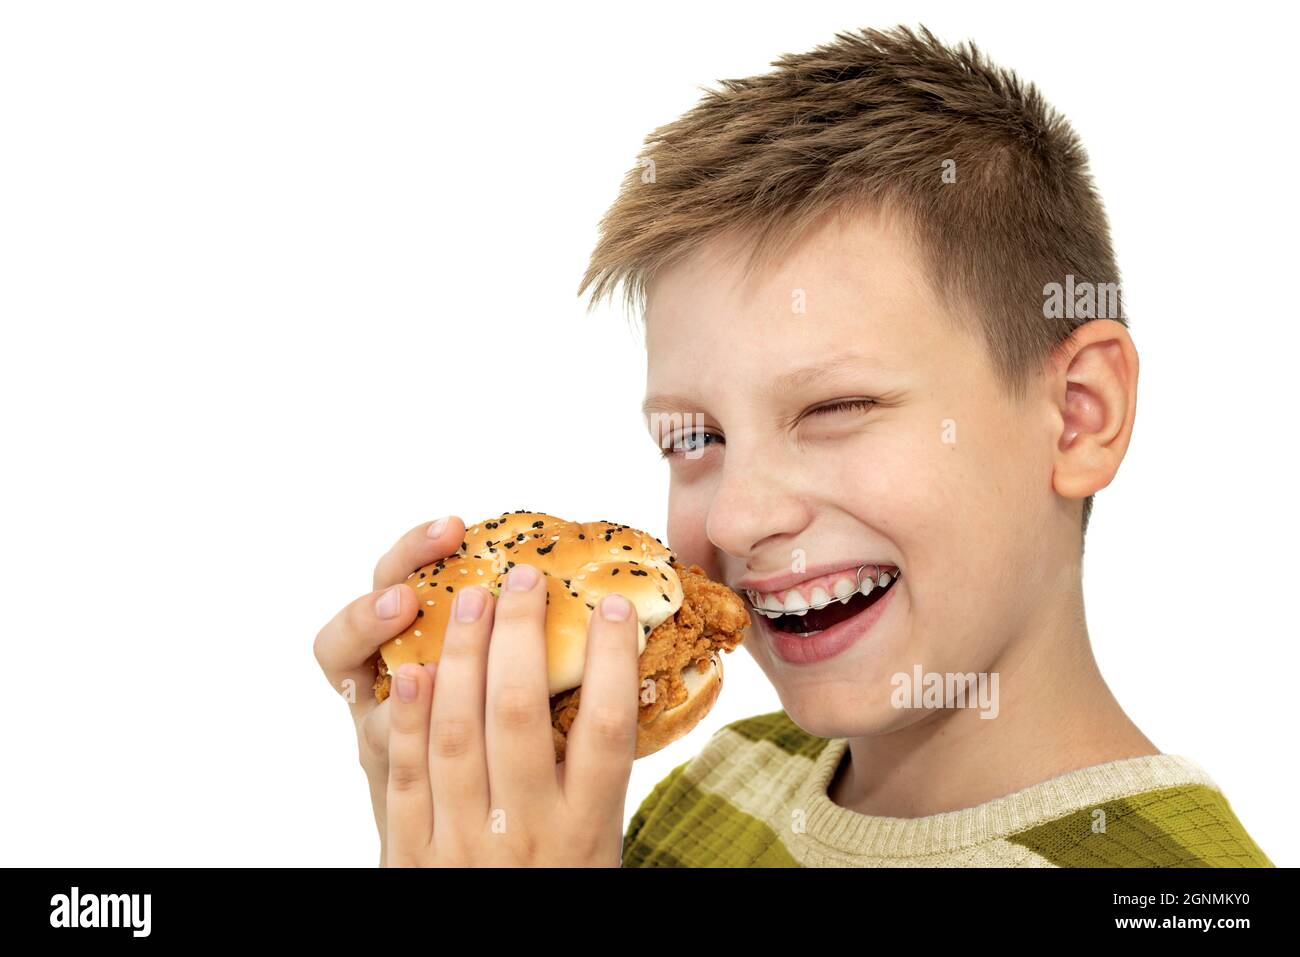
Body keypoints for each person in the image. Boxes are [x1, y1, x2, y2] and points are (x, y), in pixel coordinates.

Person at [314, 24, 1273, 867]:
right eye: (695, 436)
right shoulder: (724, 782)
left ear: (1078, 414)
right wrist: (445, 799)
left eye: (835, 406)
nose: (737, 514)